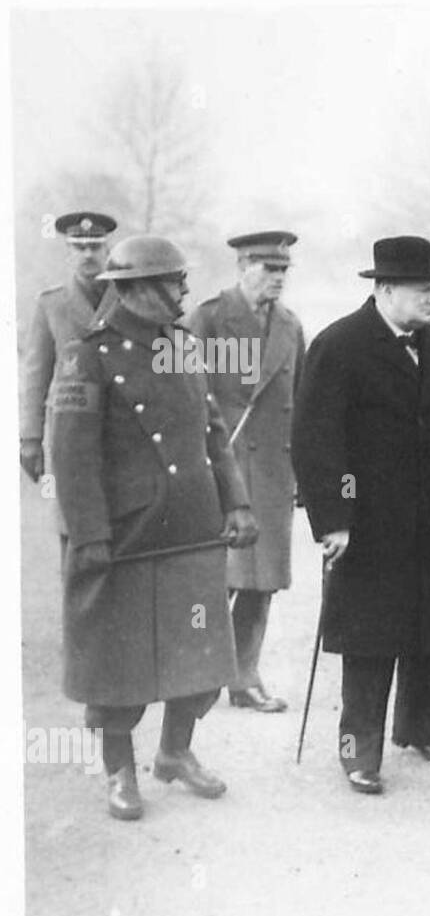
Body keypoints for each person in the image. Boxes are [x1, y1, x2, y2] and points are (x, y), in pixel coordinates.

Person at [49, 235, 258, 820]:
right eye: (174, 282)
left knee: (201, 655)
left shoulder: (182, 346)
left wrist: (237, 503)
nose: (184, 292)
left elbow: (213, 430)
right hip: (126, 538)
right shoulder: (85, 355)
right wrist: (90, 537)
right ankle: (120, 772)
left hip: (190, 531)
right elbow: (72, 457)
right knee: (117, 668)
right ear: (136, 289)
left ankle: (175, 753)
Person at [292, 236, 430, 796]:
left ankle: (420, 730)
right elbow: (315, 439)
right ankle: (358, 755)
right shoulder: (340, 345)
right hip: (370, 524)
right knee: (371, 639)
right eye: (423, 290)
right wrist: (334, 519)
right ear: (385, 289)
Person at [183, 231, 307, 714]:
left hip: (275, 470)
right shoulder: (208, 318)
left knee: (265, 580)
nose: (278, 278)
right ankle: (197, 673)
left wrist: (304, 473)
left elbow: (303, 402)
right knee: (216, 577)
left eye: (283, 271)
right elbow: (181, 393)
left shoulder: (292, 327)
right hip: (221, 465)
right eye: (268, 269)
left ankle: (245, 676)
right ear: (242, 266)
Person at [19, 211, 118, 484]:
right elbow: (36, 376)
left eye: (95, 246)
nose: (88, 254)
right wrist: (30, 438)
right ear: (68, 253)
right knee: (74, 511)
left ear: (107, 250)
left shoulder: (129, 298)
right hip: (72, 423)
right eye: (79, 247)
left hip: (125, 424)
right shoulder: (51, 304)